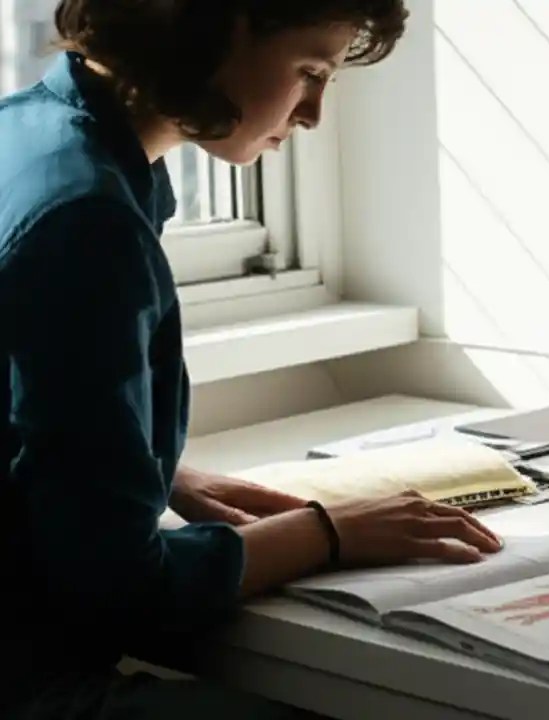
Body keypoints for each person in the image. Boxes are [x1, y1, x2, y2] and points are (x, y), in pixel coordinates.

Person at [0, 2, 505, 717]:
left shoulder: (26, 133)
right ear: (214, 26)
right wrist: (327, 532)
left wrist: (151, 471)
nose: (314, 115)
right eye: (310, 72)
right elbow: (121, 591)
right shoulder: (88, 220)